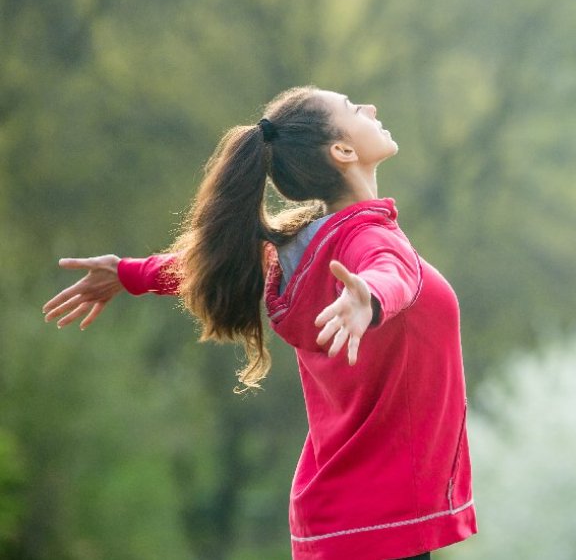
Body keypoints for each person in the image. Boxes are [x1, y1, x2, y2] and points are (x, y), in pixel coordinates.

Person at [41, 86, 476, 560]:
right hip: (382, 515)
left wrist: (129, 273)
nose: (370, 108)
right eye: (354, 108)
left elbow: (218, 262)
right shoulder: (365, 237)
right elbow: (390, 272)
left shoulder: (305, 249)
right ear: (343, 151)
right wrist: (368, 300)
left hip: (347, 516)